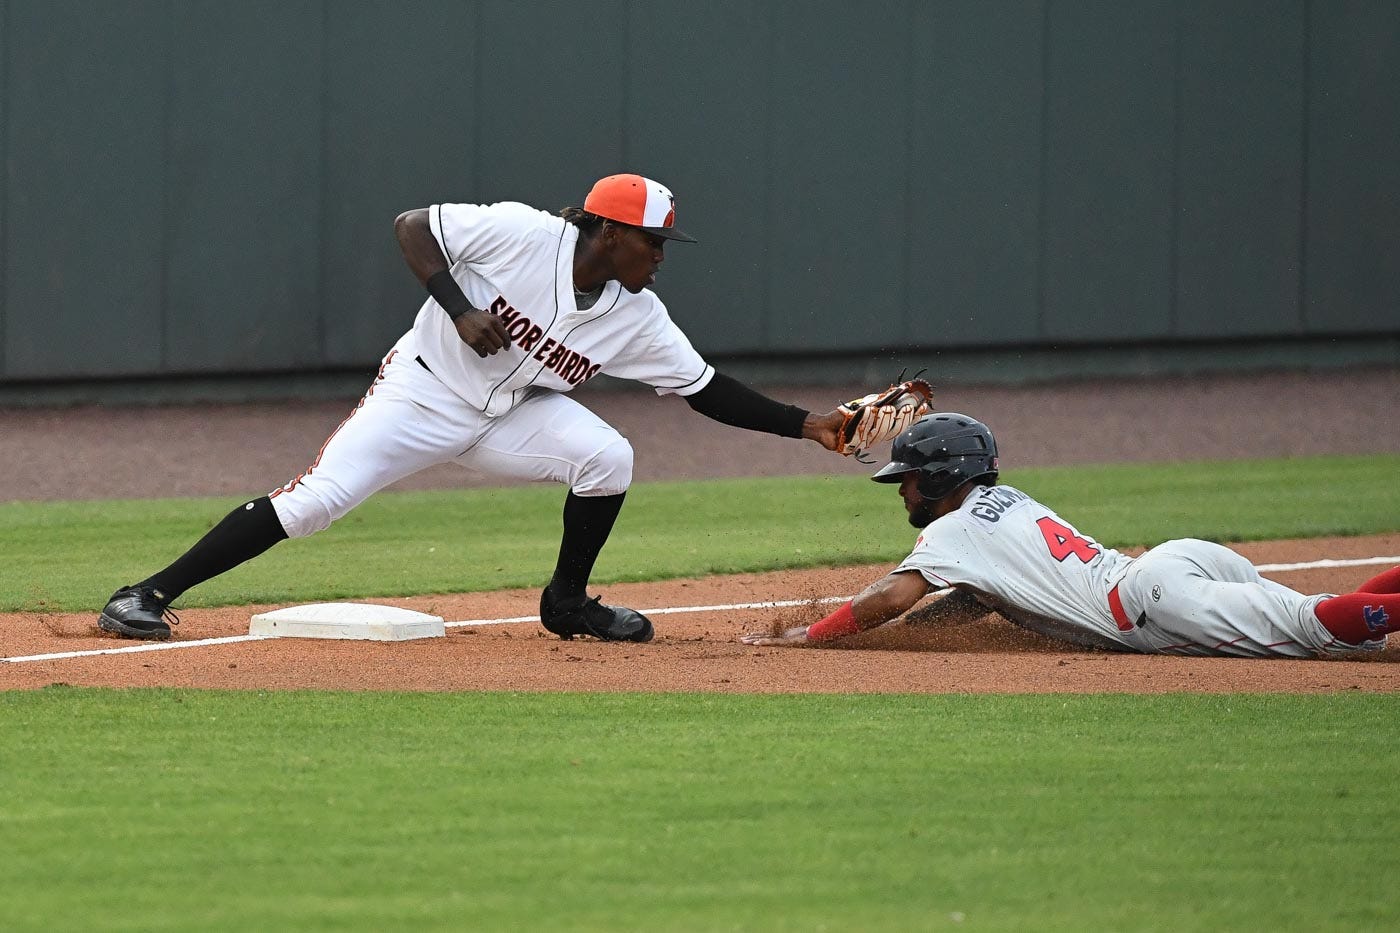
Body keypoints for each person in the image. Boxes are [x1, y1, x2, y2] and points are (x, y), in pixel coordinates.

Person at [99, 173, 848, 643]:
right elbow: (411, 225)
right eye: (653, 241)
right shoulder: (526, 233)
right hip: (420, 392)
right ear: (609, 231)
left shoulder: (638, 315)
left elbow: (706, 389)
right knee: (316, 501)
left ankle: (566, 603)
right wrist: (457, 307)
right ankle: (143, 595)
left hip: (504, 414)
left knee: (608, 456)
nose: (661, 256)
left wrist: (807, 424)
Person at [743, 412, 1400, 657]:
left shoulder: (954, 532)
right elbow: (976, 599)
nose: (904, 491)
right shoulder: (1003, 504)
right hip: (1169, 569)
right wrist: (913, 638)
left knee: (1319, 627)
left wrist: (812, 636)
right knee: (1324, 623)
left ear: (945, 476)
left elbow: (891, 596)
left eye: (910, 478)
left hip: (1153, 603)